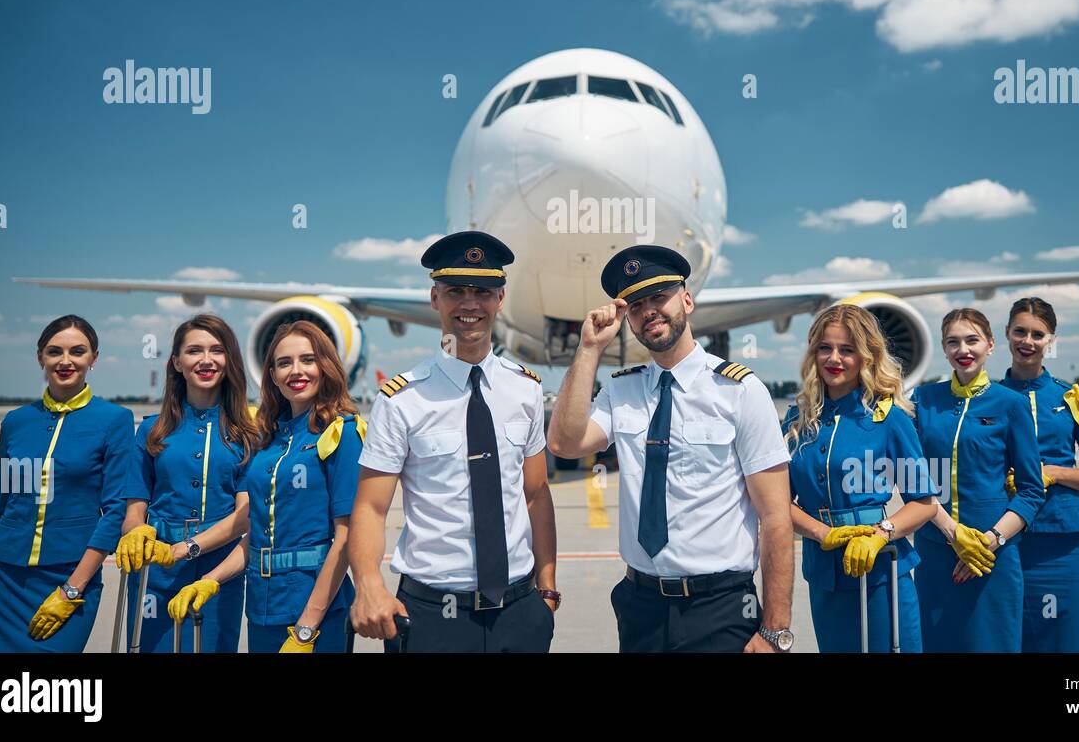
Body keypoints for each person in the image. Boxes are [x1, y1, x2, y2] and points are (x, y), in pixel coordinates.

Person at [549, 245, 794, 652]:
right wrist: (589, 349)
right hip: (640, 605)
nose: (649, 312)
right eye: (637, 305)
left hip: (721, 606)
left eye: (659, 297)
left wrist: (775, 629)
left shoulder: (738, 390)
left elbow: (775, 518)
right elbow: (565, 442)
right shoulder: (621, 389)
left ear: (686, 299)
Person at [349, 231, 558, 652]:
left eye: (482, 291)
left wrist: (547, 589)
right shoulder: (402, 399)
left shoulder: (526, 390)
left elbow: (535, 493)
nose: (469, 304)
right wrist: (369, 583)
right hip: (431, 617)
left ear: (500, 299)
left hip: (518, 612)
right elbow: (371, 507)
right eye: (455, 291)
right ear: (434, 298)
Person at [167, 320, 362, 653]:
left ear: (326, 366)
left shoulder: (340, 433)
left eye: (308, 360)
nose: (296, 371)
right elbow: (256, 533)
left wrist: (306, 628)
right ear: (271, 375)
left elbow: (346, 539)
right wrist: (208, 580)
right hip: (261, 610)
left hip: (316, 611)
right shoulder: (267, 440)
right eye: (284, 363)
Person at [783, 304, 938, 652]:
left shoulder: (890, 419)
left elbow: (925, 503)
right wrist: (821, 532)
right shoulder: (796, 421)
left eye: (847, 349)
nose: (834, 358)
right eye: (825, 347)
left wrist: (882, 534)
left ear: (867, 357)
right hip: (824, 571)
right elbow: (778, 503)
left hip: (882, 572)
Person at [0, 315, 135, 652]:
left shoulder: (115, 420)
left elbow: (114, 511)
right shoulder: (16, 421)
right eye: (55, 352)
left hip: (69, 577)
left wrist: (73, 588)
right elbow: (6, 499)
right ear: (40, 357)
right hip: (4, 580)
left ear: (93, 359)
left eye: (77, 352)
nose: (65, 361)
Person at [115, 315, 260, 652]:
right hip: (156, 568)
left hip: (218, 570)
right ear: (177, 362)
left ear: (230, 361)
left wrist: (188, 547)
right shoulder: (151, 430)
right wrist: (136, 532)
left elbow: (244, 516)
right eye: (194, 351)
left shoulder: (249, 435)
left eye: (217, 350)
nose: (206, 360)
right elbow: (134, 509)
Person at [912, 307, 1044, 652]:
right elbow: (912, 477)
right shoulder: (923, 401)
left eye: (972, 340)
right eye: (953, 342)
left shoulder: (1011, 404)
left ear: (990, 345)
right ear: (943, 349)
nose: (963, 350)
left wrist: (989, 542)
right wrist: (952, 534)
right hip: (934, 548)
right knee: (936, 642)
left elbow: (1031, 490)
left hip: (992, 557)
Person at [999, 296, 1079, 652]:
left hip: (1069, 540)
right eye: (1020, 332)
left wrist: (1054, 473)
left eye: (1038, 334)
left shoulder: (1072, 397)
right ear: (1006, 334)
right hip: (1009, 539)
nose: (1027, 341)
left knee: (1073, 640)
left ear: (1051, 341)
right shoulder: (990, 398)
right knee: (1012, 639)